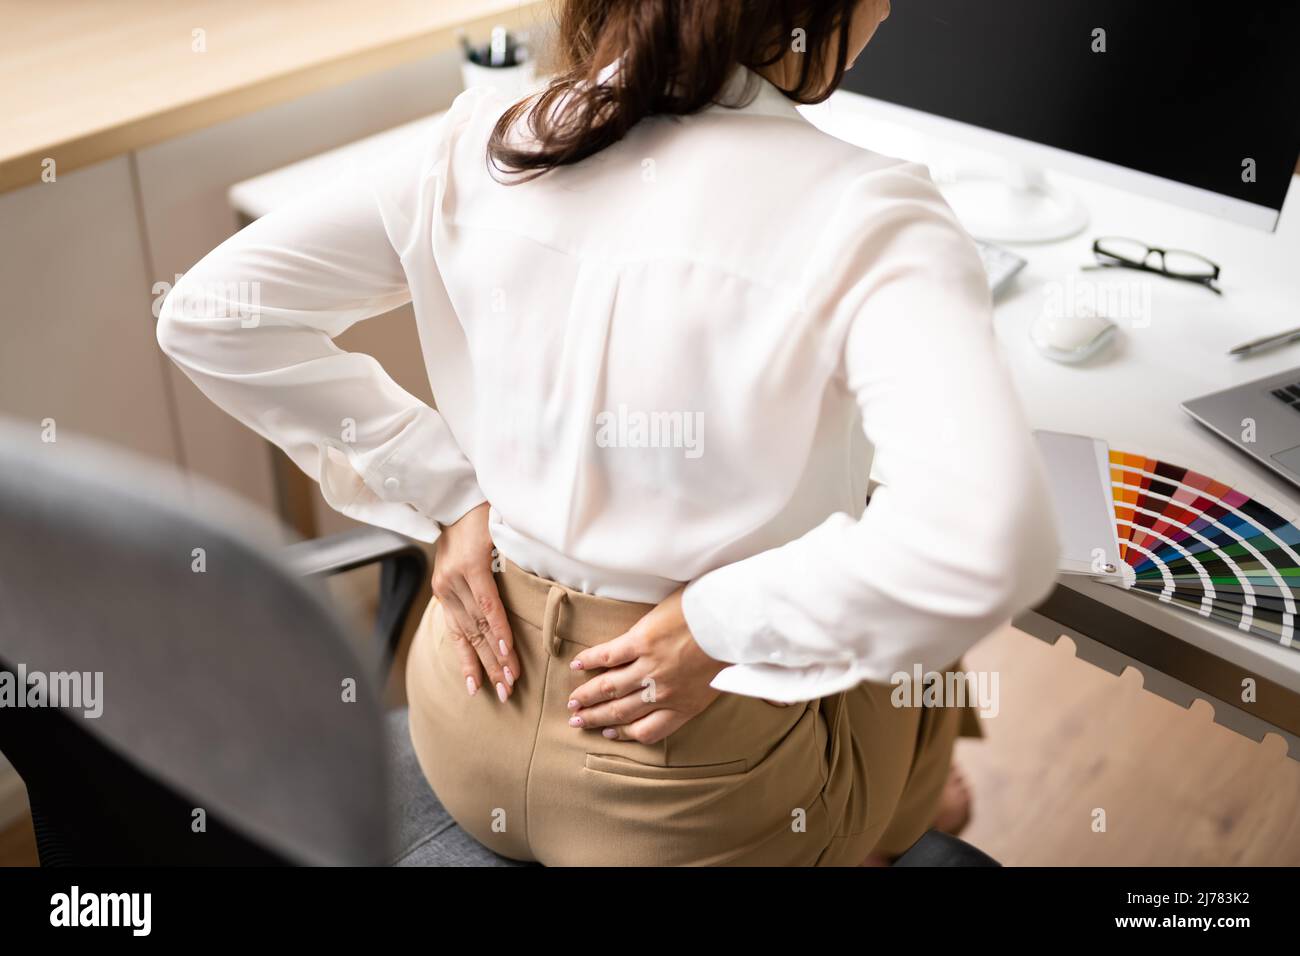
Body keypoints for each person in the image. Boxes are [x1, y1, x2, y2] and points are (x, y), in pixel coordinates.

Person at [158, 0, 1059, 865]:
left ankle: (903, 800)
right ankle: (897, 823)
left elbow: (209, 313)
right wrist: (716, 627)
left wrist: (448, 493)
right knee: (899, 582)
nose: (892, 11)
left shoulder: (484, 137)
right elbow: (987, 543)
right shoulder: (872, 210)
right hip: (694, 799)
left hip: (469, 715)